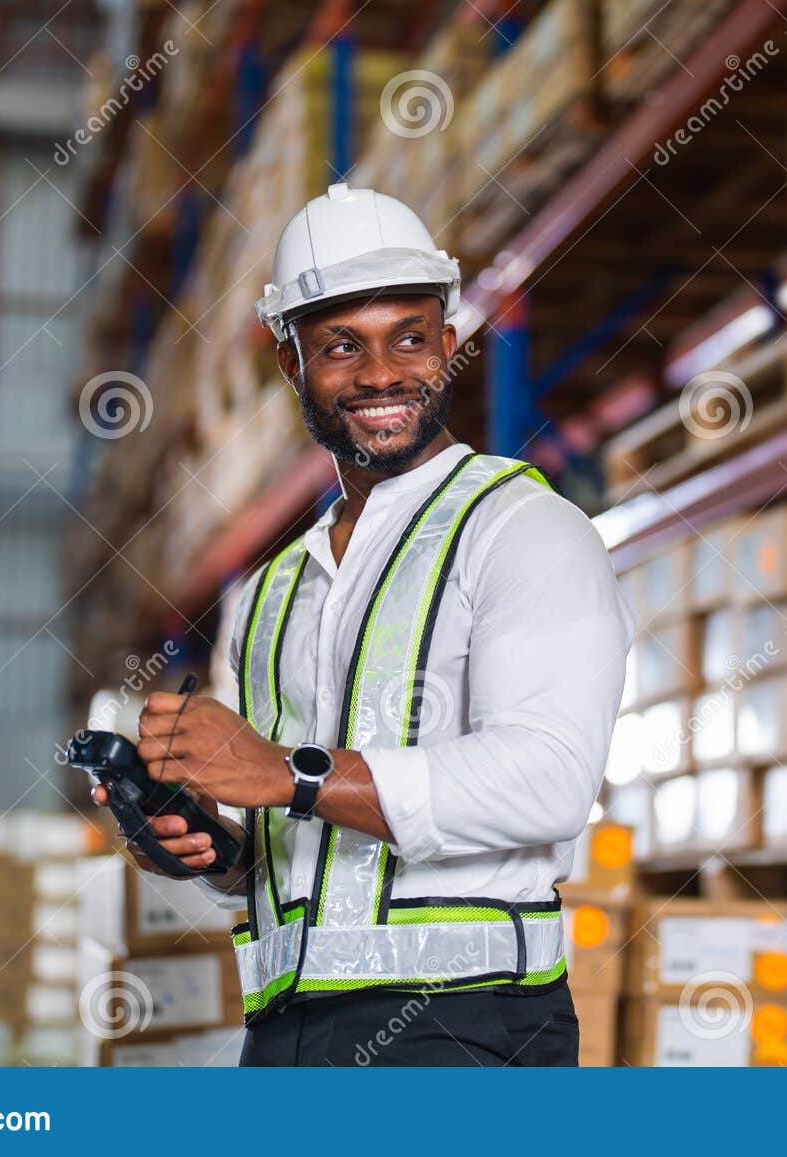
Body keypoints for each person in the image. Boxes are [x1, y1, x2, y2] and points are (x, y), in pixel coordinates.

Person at [92, 184, 632, 1066]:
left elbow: (550, 780)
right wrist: (204, 844)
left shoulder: (522, 528)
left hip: (470, 1039)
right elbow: (286, 836)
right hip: (286, 1036)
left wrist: (285, 770)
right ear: (289, 364)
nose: (382, 374)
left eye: (409, 338)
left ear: (448, 346)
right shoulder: (267, 594)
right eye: (342, 345)